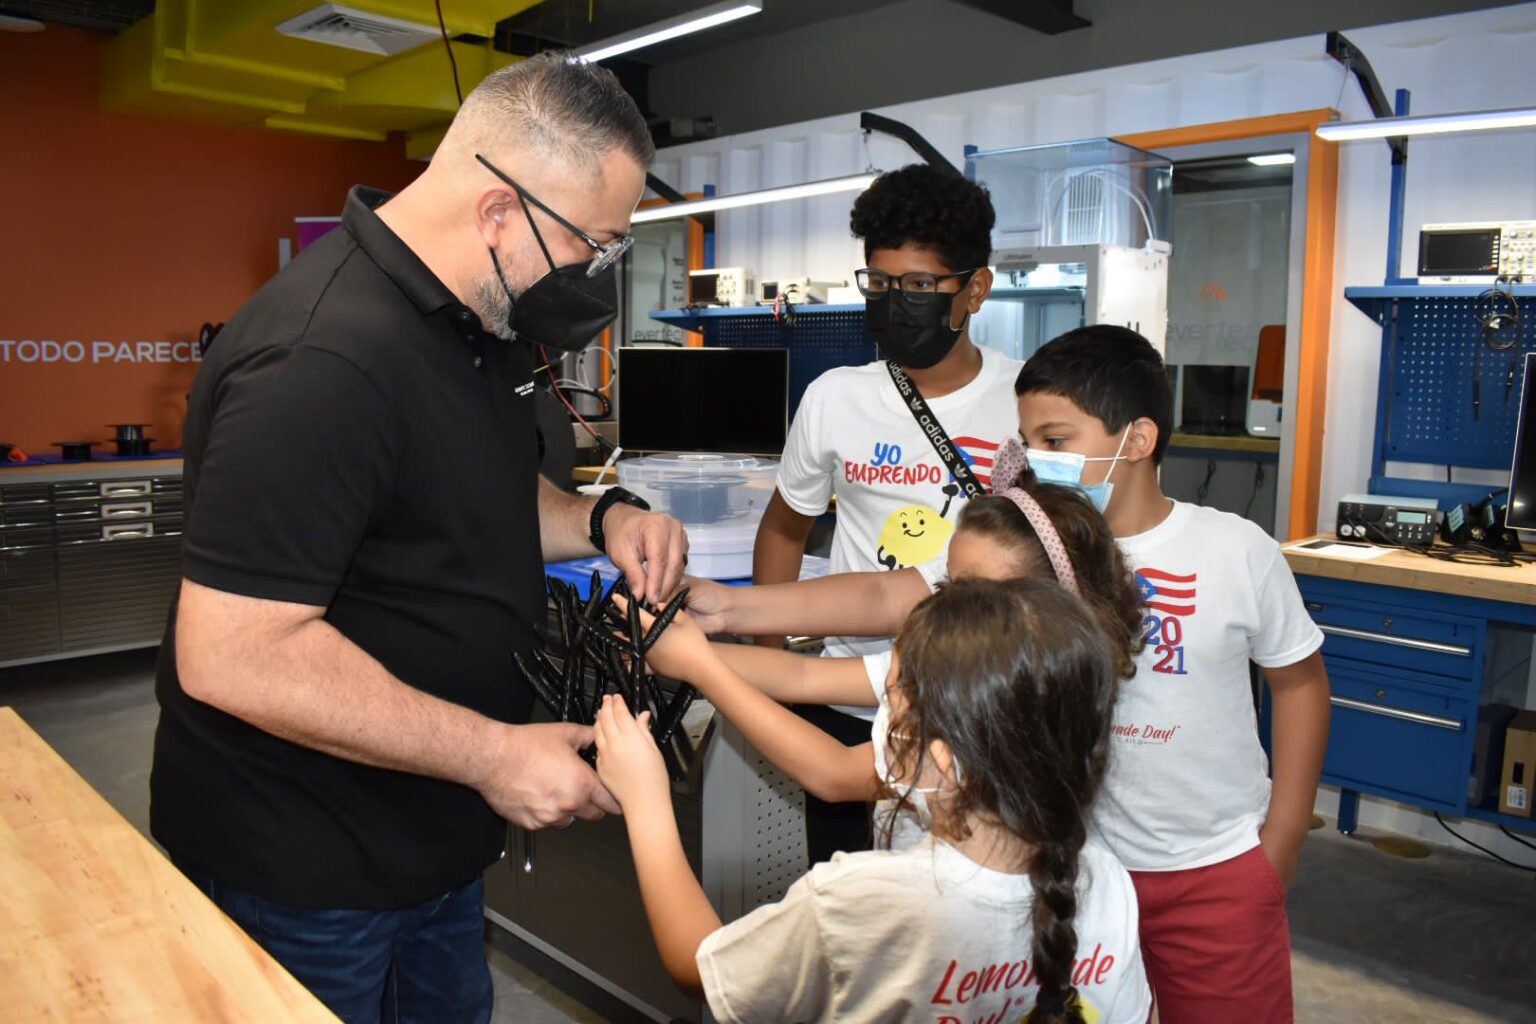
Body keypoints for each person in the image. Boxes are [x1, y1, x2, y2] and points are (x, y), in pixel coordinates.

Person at [150, 54, 688, 1023]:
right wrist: (495, 756)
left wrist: (603, 520)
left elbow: (478, 497)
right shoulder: (320, 359)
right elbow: (233, 651)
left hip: (434, 830)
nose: (595, 280)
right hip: (307, 865)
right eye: (592, 248)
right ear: (498, 212)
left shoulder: (476, 322)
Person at [596, 579, 1152, 1024]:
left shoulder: (856, 901)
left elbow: (698, 967)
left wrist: (646, 800)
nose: (882, 721)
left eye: (890, 700)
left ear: (943, 760)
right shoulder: (1107, 882)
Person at [1014, 324, 1330, 1023]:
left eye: (1055, 440)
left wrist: (1281, 840)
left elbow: (1301, 685)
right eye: (1027, 440)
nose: (1035, 461)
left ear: (1137, 439)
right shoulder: (1036, 556)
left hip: (1218, 870)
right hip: (1084, 873)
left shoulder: (1235, 550)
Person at [752, 162, 1024, 864]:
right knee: (845, 896)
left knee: (967, 897)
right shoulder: (835, 397)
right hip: (845, 702)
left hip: (976, 708)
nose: (895, 302)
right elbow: (784, 527)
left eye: (920, 286)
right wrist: (768, 664)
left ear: (975, 289)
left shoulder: (1027, 404)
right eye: (879, 282)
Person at [663, 457, 1142, 853]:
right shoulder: (958, 660)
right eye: (947, 584)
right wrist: (667, 645)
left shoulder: (1002, 711)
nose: (942, 603)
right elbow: (803, 677)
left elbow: (835, 773)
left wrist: (697, 664)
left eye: (971, 592)